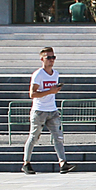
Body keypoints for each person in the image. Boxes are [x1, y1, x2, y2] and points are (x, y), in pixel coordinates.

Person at [24, 46, 73, 175]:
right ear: (42, 59)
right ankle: (26, 162)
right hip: (39, 110)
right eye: (48, 57)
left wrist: (54, 90)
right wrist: (50, 91)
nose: (51, 60)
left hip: (52, 109)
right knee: (34, 136)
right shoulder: (38, 74)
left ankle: (63, 162)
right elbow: (32, 94)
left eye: (53, 57)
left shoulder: (55, 74)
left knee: (58, 136)